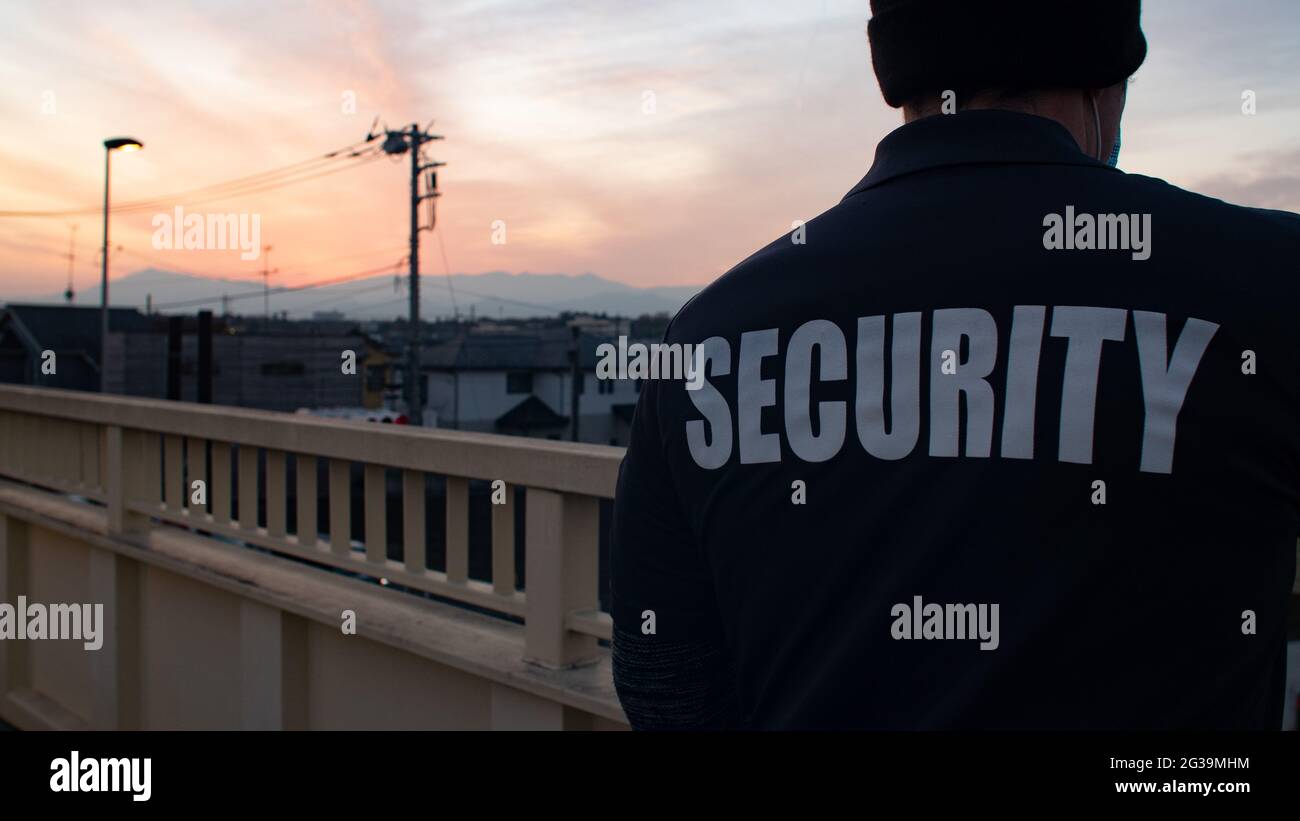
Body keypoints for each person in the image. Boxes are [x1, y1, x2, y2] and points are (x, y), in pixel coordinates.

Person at [609, 0, 1300, 729]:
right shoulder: (1266, 282)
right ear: (1109, 80)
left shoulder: (709, 334)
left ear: (896, 70)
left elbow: (663, 676)